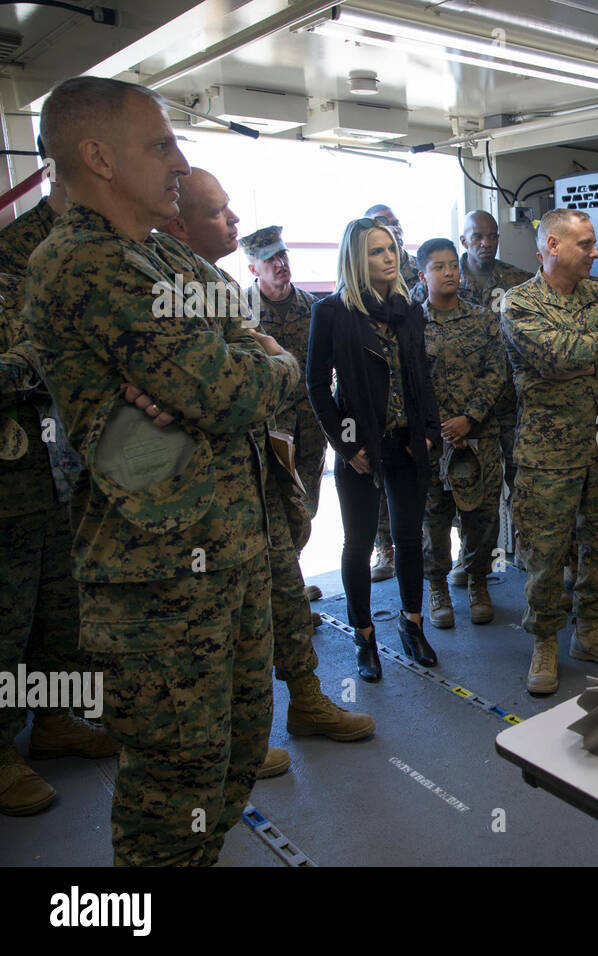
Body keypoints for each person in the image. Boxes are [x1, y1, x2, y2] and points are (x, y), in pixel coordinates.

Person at [24, 77, 299, 866]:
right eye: (160, 145)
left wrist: (244, 358)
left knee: (238, 754)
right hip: (159, 582)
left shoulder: (159, 251)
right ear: (98, 157)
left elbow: (236, 346)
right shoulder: (84, 264)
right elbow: (229, 388)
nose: (178, 161)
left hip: (228, 554)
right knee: (173, 787)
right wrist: (259, 366)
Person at [162, 171, 375, 779]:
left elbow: (261, 372)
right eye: (220, 213)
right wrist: (271, 363)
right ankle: (231, 739)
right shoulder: (173, 285)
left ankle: (305, 701)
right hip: (209, 487)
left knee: (284, 590)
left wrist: (264, 366)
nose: (232, 221)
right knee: (226, 618)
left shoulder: (221, 287)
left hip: (267, 468)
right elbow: (228, 386)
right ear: (179, 221)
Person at [502, 208, 598, 694]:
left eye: (593, 244)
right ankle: (545, 638)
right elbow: (554, 354)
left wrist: (581, 363)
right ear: (552, 246)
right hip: (549, 450)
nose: (595, 252)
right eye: (585, 244)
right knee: (546, 550)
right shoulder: (519, 303)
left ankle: (589, 631)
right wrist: (593, 356)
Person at [1, 184, 119, 816]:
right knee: (6, 621)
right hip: (11, 484)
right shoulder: (13, 259)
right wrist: (41, 354)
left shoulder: (89, 254)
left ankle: (55, 720)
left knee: (60, 606)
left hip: (62, 470)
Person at [307, 217, 440, 682]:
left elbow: (421, 375)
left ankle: (412, 624)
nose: (389, 258)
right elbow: (318, 386)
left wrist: (428, 430)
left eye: (391, 249)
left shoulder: (409, 308)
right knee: (358, 545)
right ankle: (364, 637)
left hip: (407, 443)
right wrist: (346, 445)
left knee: (409, 539)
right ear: (356, 260)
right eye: (376, 252)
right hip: (361, 445)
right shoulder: (331, 312)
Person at [418, 237, 507, 628]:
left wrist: (469, 418)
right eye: (438, 266)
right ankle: (436, 586)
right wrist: (438, 426)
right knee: (434, 517)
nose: (449, 271)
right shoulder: (410, 327)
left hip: (478, 437)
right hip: (432, 441)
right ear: (422, 275)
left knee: (482, 516)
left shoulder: (483, 320)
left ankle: (476, 581)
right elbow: (405, 384)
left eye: (453, 264)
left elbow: (497, 373)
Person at [457, 210, 534, 581]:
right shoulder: (443, 279)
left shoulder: (518, 281)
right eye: (477, 237)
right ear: (464, 241)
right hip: (467, 405)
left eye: (492, 236)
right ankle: (471, 561)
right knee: (470, 488)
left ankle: (529, 553)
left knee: (523, 479)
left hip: (512, 402)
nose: (486, 243)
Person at [241, 225, 329, 519]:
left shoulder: (313, 307)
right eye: (270, 259)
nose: (280, 264)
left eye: (282, 255)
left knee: (306, 510)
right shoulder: (240, 311)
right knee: (274, 512)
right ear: (254, 267)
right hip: (269, 429)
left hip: (311, 427)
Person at [361, 203, 417, 583]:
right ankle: (385, 547)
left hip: (410, 406)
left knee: (415, 506)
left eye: (394, 230)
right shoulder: (355, 287)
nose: (389, 246)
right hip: (371, 412)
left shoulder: (413, 269)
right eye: (381, 235)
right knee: (377, 494)